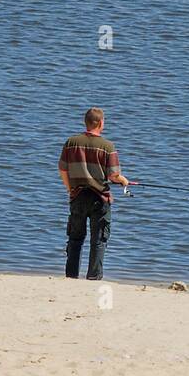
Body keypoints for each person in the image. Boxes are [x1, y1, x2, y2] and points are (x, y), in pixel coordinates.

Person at [59, 107, 129, 280]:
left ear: (86, 122)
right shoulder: (107, 146)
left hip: (77, 196)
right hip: (100, 199)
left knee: (75, 239)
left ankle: (71, 276)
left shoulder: (71, 142)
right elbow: (113, 175)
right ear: (100, 123)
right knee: (98, 241)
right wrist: (124, 181)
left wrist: (70, 189)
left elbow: (62, 169)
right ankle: (93, 278)